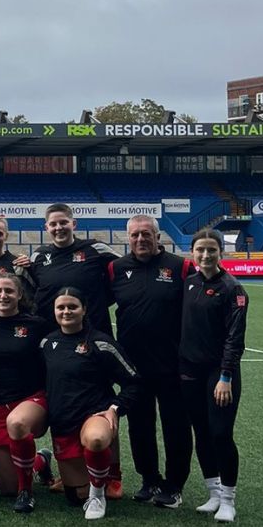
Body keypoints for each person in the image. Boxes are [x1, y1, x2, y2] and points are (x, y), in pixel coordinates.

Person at [24, 203, 124, 498]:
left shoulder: (96, 249)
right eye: (53, 224)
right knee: (62, 400)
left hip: (94, 341)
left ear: (73, 223)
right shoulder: (39, 257)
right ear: (46, 227)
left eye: (63, 222)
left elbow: (124, 272)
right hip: (54, 341)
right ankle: (72, 470)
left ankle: (114, 475)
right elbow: (29, 292)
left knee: (102, 404)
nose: (58, 228)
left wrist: (98, 306)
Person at [108, 214, 194, 507]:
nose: (140, 239)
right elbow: (93, 305)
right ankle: (149, 479)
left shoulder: (180, 267)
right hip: (134, 367)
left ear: (158, 237)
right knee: (140, 426)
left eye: (146, 234)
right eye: (135, 235)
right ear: (128, 238)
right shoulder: (116, 269)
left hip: (173, 365)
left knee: (176, 426)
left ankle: (174, 485)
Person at [41, 287, 141, 520]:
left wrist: (115, 408)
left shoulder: (100, 342)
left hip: (93, 415)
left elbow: (134, 381)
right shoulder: (46, 343)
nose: (67, 311)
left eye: (72, 307)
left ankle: (98, 495)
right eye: (61, 307)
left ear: (84, 309)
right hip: (62, 422)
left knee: (96, 440)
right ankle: (41, 462)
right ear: (54, 311)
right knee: (75, 497)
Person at [180, 228, 248, 523]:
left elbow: (235, 338)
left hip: (219, 374)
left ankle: (229, 499)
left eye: (211, 250)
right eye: (200, 250)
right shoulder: (190, 283)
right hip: (189, 371)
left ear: (221, 252)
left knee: (220, 433)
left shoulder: (233, 289)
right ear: (192, 253)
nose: (205, 255)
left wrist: (226, 376)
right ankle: (214, 493)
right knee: (202, 433)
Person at [0, 273, 54, 513]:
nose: (3, 295)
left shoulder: (36, 325)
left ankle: (26, 492)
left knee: (17, 423)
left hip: (31, 398)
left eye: (9, 291)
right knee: (7, 487)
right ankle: (40, 462)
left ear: (19, 294)